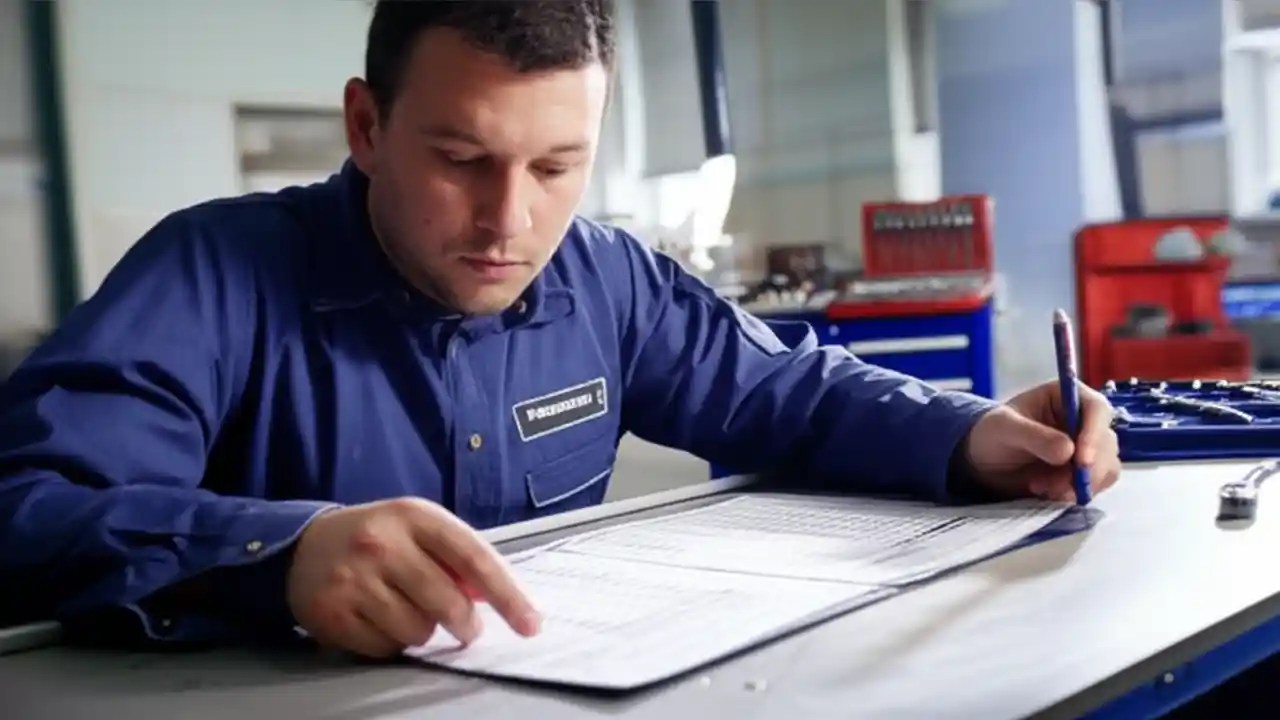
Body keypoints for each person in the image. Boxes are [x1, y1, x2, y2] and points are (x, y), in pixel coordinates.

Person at [0, 0, 1120, 660]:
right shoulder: (212, 275)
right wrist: (278, 553)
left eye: (555, 167)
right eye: (460, 161)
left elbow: (788, 394)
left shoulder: (608, 277)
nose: (509, 219)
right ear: (365, 124)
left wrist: (969, 432)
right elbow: (30, 510)